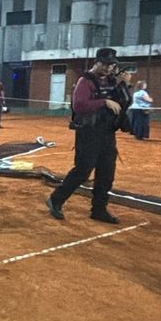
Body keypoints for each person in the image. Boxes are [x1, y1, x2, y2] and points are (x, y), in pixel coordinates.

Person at [45, 47, 124, 224]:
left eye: (111, 65)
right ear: (96, 62)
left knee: (106, 172)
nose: (108, 68)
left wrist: (125, 85)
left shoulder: (112, 82)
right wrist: (104, 101)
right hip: (89, 132)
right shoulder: (85, 81)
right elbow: (79, 106)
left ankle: (99, 209)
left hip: (107, 132)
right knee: (83, 170)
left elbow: (122, 104)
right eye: (105, 64)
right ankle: (56, 199)